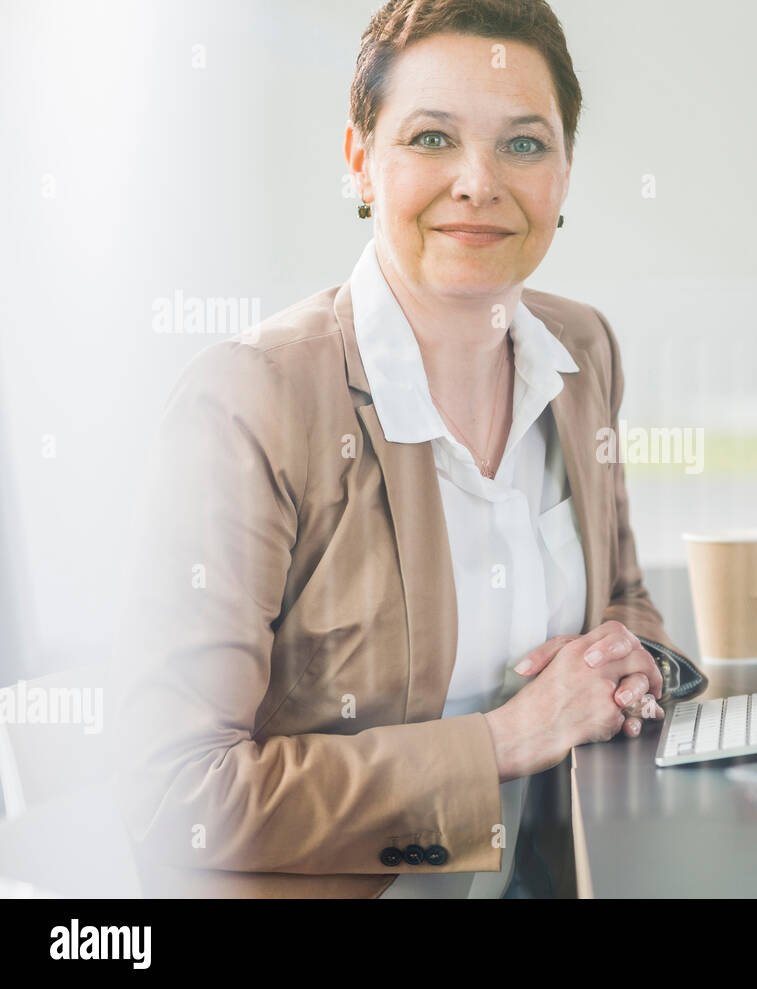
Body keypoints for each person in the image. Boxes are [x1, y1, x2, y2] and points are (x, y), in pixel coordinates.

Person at [112, 0, 693, 898]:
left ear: (565, 175)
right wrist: (505, 739)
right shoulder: (252, 399)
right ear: (361, 162)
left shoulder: (583, 355)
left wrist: (636, 663)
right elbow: (177, 793)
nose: (478, 181)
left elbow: (624, 599)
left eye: (525, 145)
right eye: (431, 138)